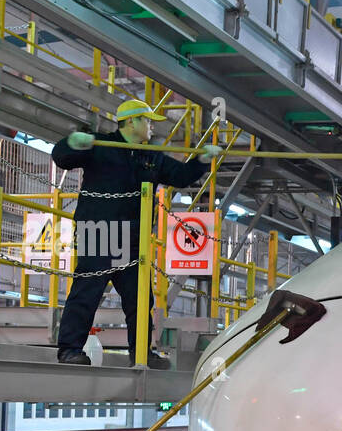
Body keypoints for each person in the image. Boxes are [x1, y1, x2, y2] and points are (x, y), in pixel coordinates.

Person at [52, 99, 221, 369]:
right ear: (132, 121)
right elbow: (61, 158)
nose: (151, 127)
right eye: (148, 121)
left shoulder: (150, 157)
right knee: (87, 292)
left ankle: (141, 353)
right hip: (100, 232)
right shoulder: (101, 145)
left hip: (133, 239)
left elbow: (180, 176)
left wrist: (202, 160)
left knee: (140, 298)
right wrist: (73, 141)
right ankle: (69, 349)